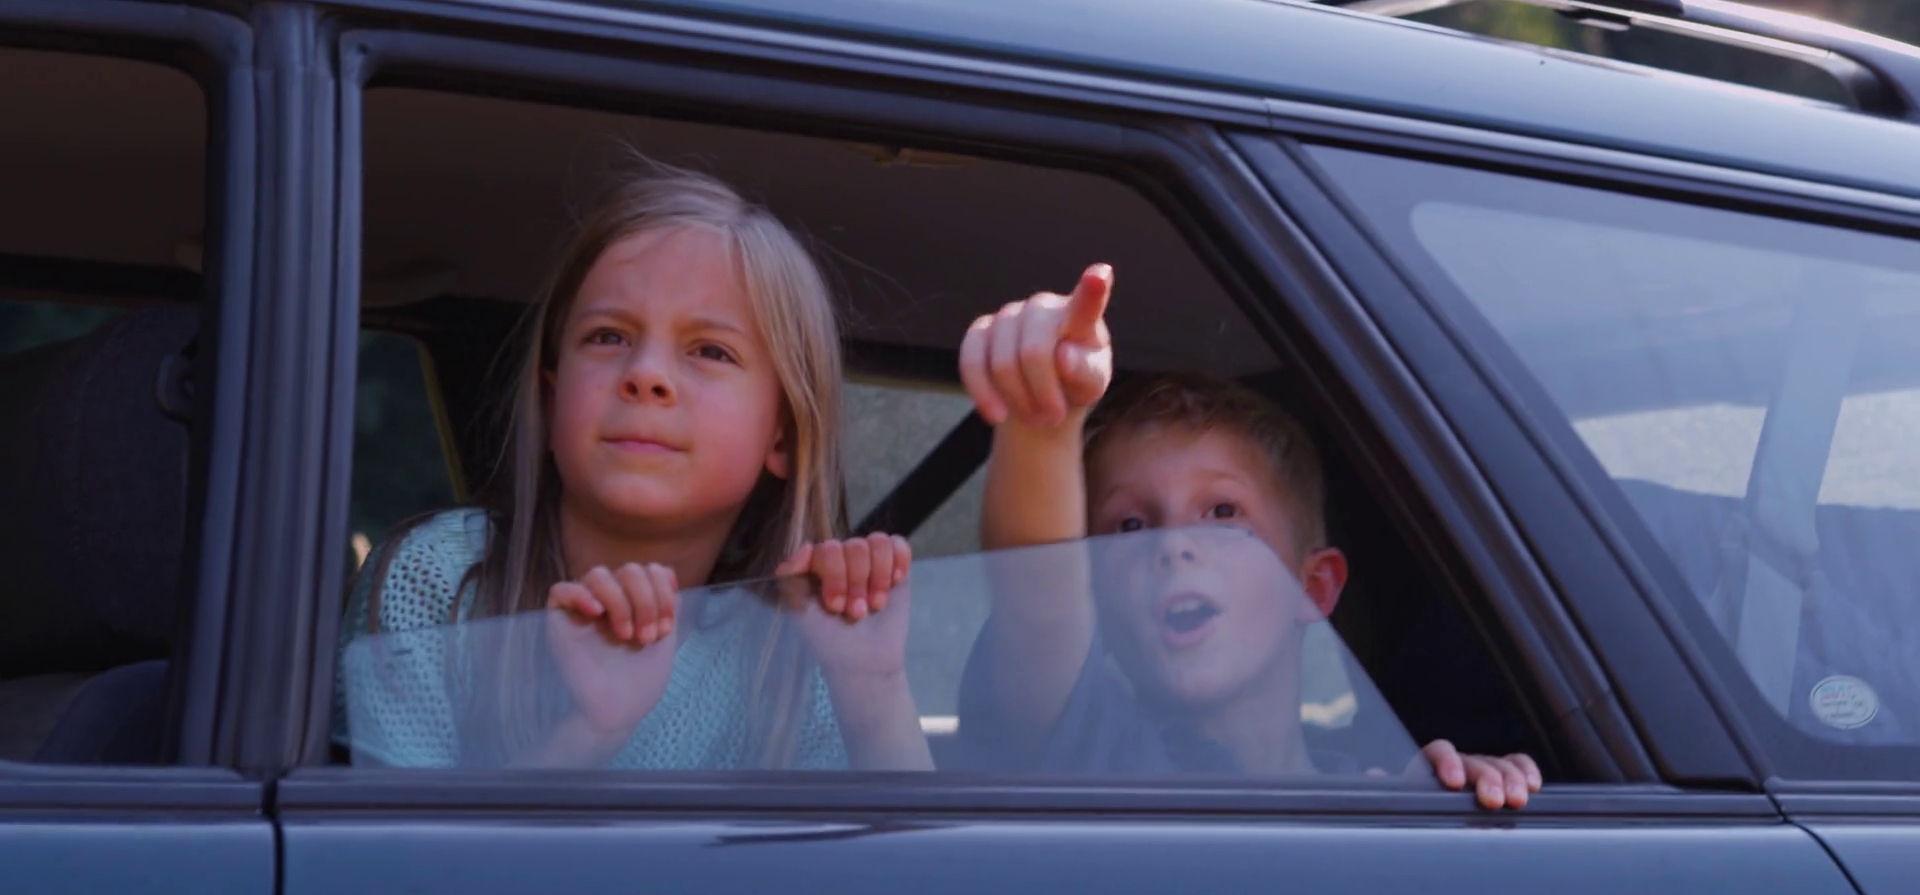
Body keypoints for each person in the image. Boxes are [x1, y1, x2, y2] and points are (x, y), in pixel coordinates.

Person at [335, 162, 929, 772]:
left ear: (785, 436)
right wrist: (592, 730)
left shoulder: (801, 642)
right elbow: (407, 864)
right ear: (549, 399)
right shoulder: (439, 580)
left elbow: (918, 868)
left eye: (710, 351)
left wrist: (874, 693)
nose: (646, 375)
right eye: (608, 337)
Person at [955, 265, 1541, 808]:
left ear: (1313, 587)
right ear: (1098, 607)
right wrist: (1044, 422)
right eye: (1130, 526)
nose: (1172, 545)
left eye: (1222, 511)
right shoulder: (1095, 751)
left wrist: (1455, 798)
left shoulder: (1378, 784)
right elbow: (1038, 600)